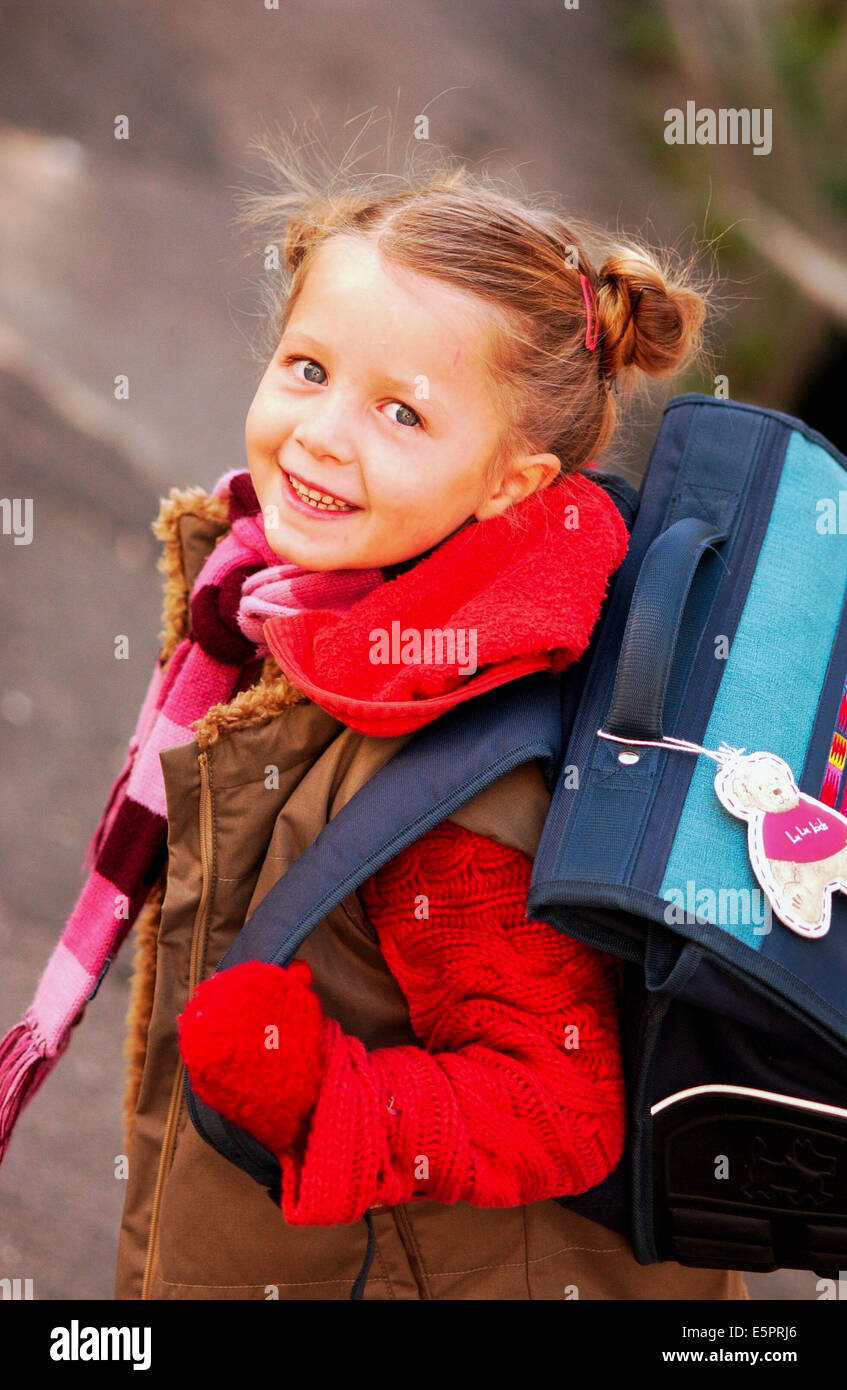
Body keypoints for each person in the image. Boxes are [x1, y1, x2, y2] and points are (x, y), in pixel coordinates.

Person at [0, 146, 747, 1299]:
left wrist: (318, 1097)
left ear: (511, 482)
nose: (321, 435)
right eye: (307, 368)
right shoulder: (286, 608)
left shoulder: (460, 767)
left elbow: (563, 1107)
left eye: (400, 411)